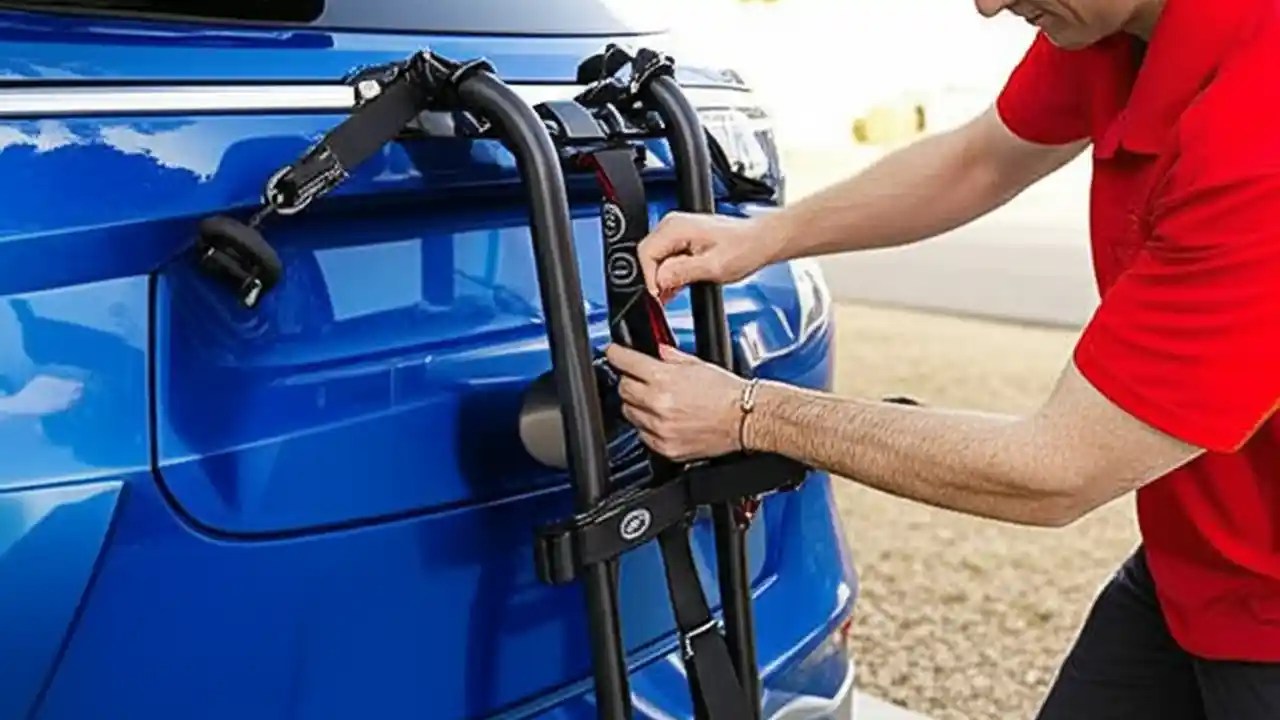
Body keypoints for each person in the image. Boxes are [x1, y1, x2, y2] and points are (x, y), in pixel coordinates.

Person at [603, 0, 1280, 717]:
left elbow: (1057, 469)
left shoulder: (1258, 128)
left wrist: (747, 413)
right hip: (1198, 563)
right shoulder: (1115, 27)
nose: (988, 6)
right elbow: (980, 160)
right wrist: (765, 238)